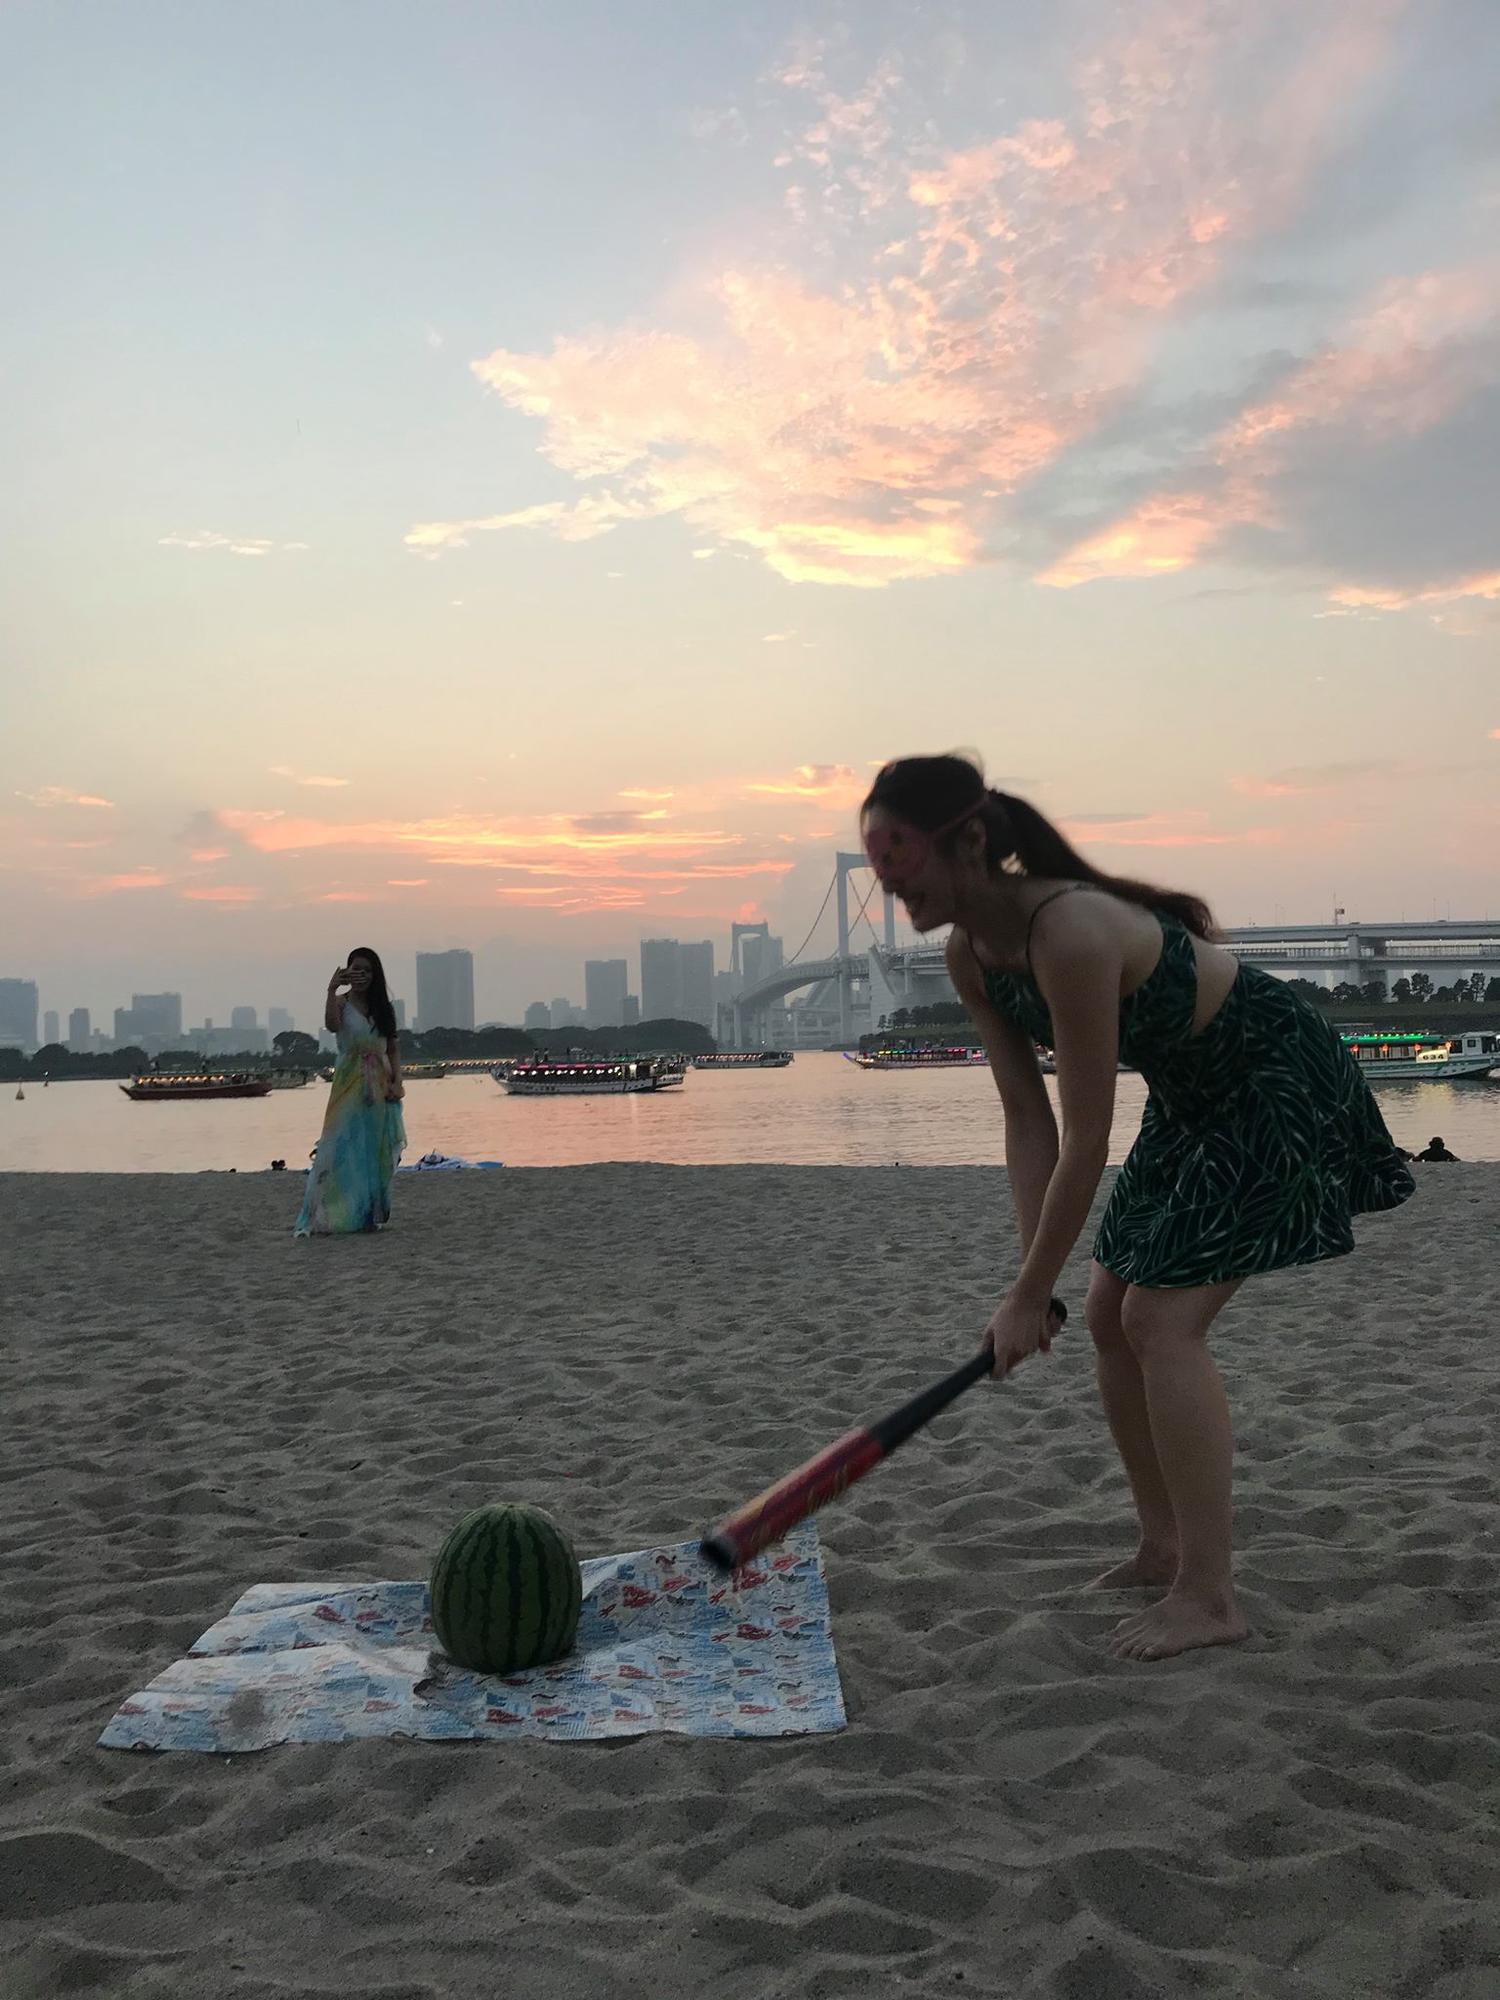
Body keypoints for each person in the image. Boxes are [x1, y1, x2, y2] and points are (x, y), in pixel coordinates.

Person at [860, 755, 1416, 1662]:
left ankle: (1211, 1595)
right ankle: (1163, 1546)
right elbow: (1027, 1121)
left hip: (1268, 1075)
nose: (889, 883)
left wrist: (1027, 1287)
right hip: (1191, 1098)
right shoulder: (970, 955)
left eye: (901, 857)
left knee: (1161, 1322)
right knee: (1105, 1318)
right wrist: (1028, 1285)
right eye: (876, 863)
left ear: (967, 842)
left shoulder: (1068, 932)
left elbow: (1086, 1138)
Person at [295, 948, 406, 1236]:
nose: (361, 976)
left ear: (375, 975)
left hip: (380, 1081)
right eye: (356, 969)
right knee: (339, 1145)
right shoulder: (342, 1004)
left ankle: (368, 1210)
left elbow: (392, 1047)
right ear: (347, 971)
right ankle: (327, 1211)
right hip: (348, 1080)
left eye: (367, 971)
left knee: (374, 1148)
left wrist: (397, 1082)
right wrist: (332, 989)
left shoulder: (384, 1008)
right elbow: (332, 1025)